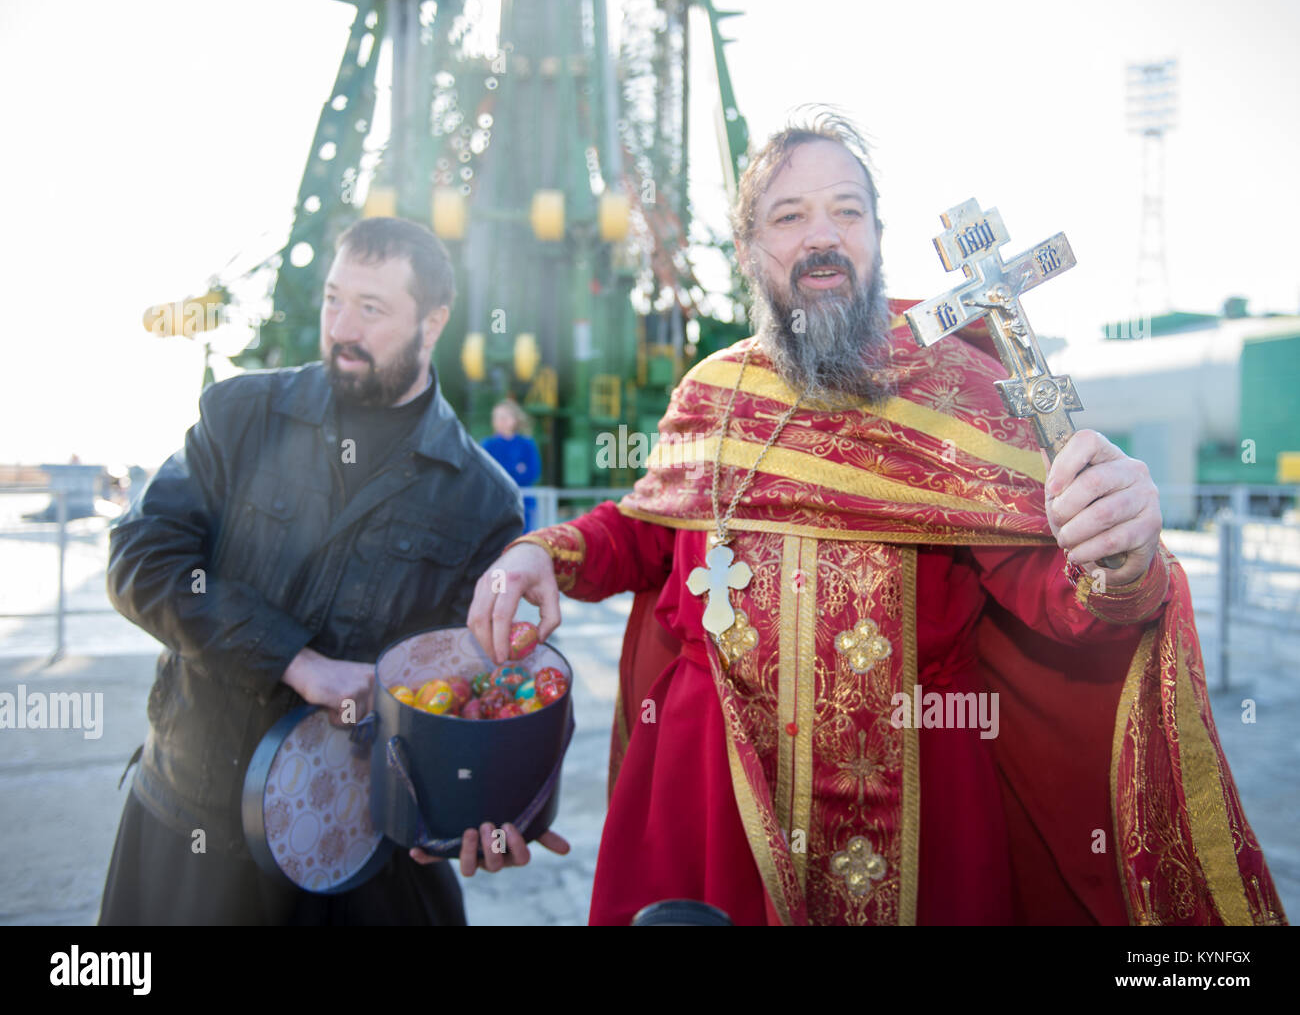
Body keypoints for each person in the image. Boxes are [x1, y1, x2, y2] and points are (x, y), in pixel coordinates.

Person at [466, 112, 1287, 926]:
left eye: (847, 211)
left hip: (922, 789)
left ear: (876, 238)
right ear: (752, 250)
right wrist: (545, 551)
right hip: (711, 793)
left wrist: (1119, 550)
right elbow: (646, 529)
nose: (823, 235)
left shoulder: (953, 392)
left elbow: (1055, 593)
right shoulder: (713, 390)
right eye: (790, 216)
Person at [99, 217, 551, 926]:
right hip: (190, 826)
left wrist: (483, 805)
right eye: (333, 300)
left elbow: (464, 695)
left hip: (359, 854)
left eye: (371, 310)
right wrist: (296, 661)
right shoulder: (240, 414)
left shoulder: (482, 498)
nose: (341, 327)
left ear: (433, 323)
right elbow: (139, 562)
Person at [482, 399, 542, 531]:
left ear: (515, 420)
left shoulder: (527, 445)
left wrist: (503, 470)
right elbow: (486, 475)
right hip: (496, 506)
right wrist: (516, 469)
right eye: (496, 417)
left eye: (504, 417)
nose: (499, 421)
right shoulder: (488, 446)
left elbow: (532, 474)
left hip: (524, 505)